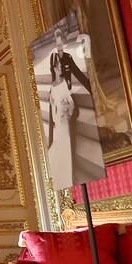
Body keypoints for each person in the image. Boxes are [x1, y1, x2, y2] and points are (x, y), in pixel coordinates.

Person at [47, 45, 79, 187]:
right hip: (58, 121)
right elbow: (53, 105)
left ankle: (67, 176)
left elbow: (72, 102)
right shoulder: (52, 87)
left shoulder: (66, 84)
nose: (60, 68)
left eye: (61, 66)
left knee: (66, 144)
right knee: (59, 144)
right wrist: (55, 120)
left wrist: (69, 112)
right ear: (54, 68)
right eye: (58, 66)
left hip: (66, 119)